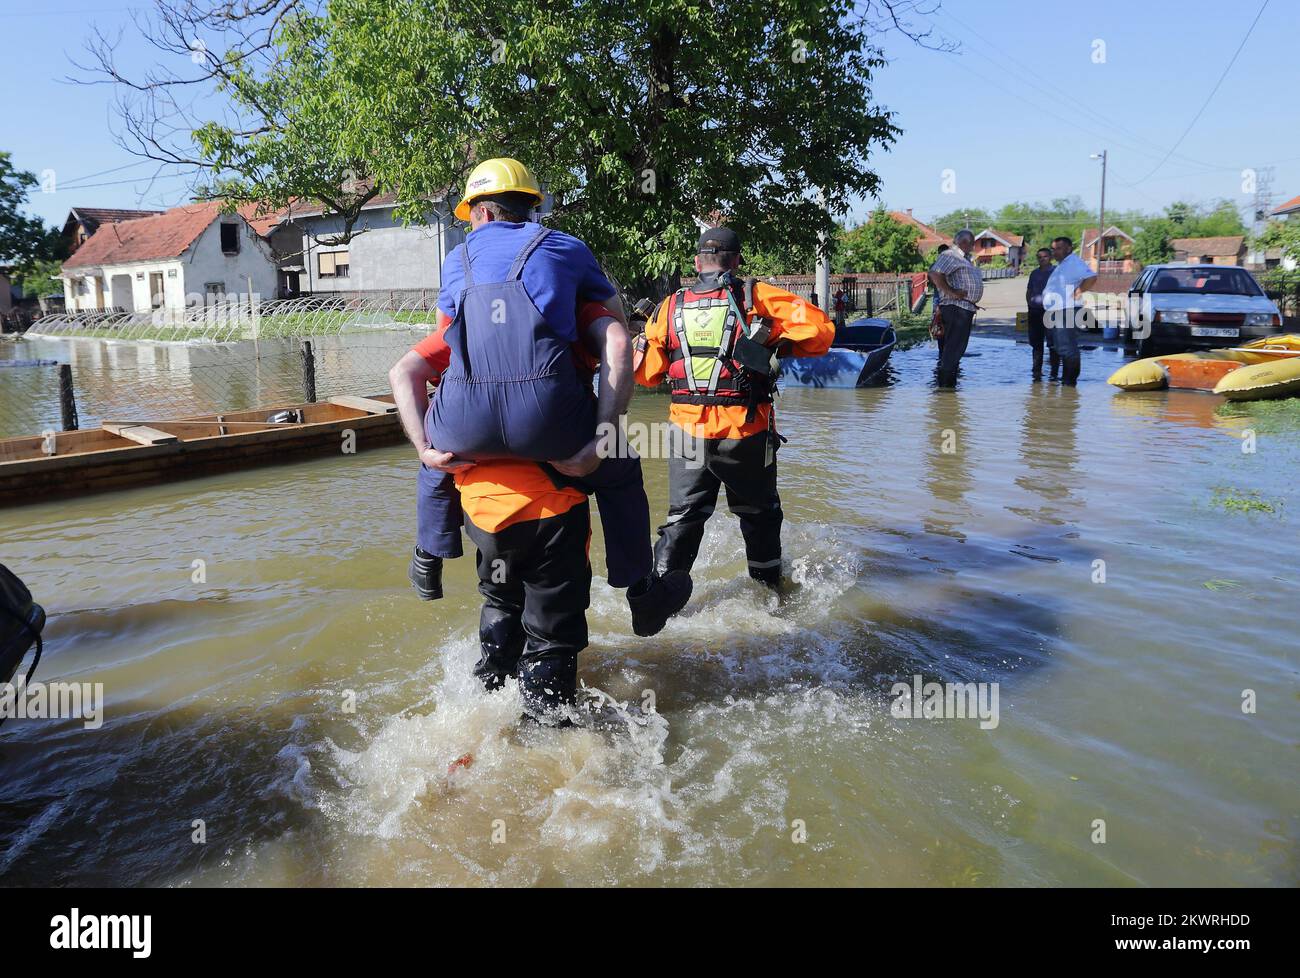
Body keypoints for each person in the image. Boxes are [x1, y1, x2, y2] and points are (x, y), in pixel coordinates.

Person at [634, 226, 834, 594]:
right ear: (737, 260)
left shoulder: (669, 306)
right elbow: (822, 333)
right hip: (745, 433)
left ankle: (656, 598)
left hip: (687, 436)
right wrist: (778, 343)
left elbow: (646, 376)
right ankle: (768, 592)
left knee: (683, 517)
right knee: (760, 515)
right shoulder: (757, 297)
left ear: (697, 262)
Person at [927, 229, 983, 387]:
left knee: (955, 350)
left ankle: (948, 387)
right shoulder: (950, 255)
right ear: (964, 242)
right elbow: (934, 274)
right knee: (952, 351)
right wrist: (951, 292)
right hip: (955, 309)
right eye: (972, 243)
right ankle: (945, 391)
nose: (973, 247)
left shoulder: (963, 258)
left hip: (963, 308)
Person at [1042, 235, 1098, 386]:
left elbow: (1092, 277)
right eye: (1053, 249)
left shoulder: (1073, 262)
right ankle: (1066, 382)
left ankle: (1069, 384)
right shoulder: (1063, 265)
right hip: (1058, 311)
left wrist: (1079, 290)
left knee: (1067, 348)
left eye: (1059, 249)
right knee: (1061, 347)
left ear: (1069, 249)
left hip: (1067, 310)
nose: (1055, 252)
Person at [1025, 247, 1059, 381]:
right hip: (1035, 311)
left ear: (1050, 257)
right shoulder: (1034, 273)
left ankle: (1054, 374)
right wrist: (1030, 304)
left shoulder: (1057, 272)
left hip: (1051, 312)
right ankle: (1036, 373)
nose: (1042, 259)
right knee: (1036, 343)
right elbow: (1029, 290)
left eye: (1045, 256)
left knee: (1053, 343)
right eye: (1039, 257)